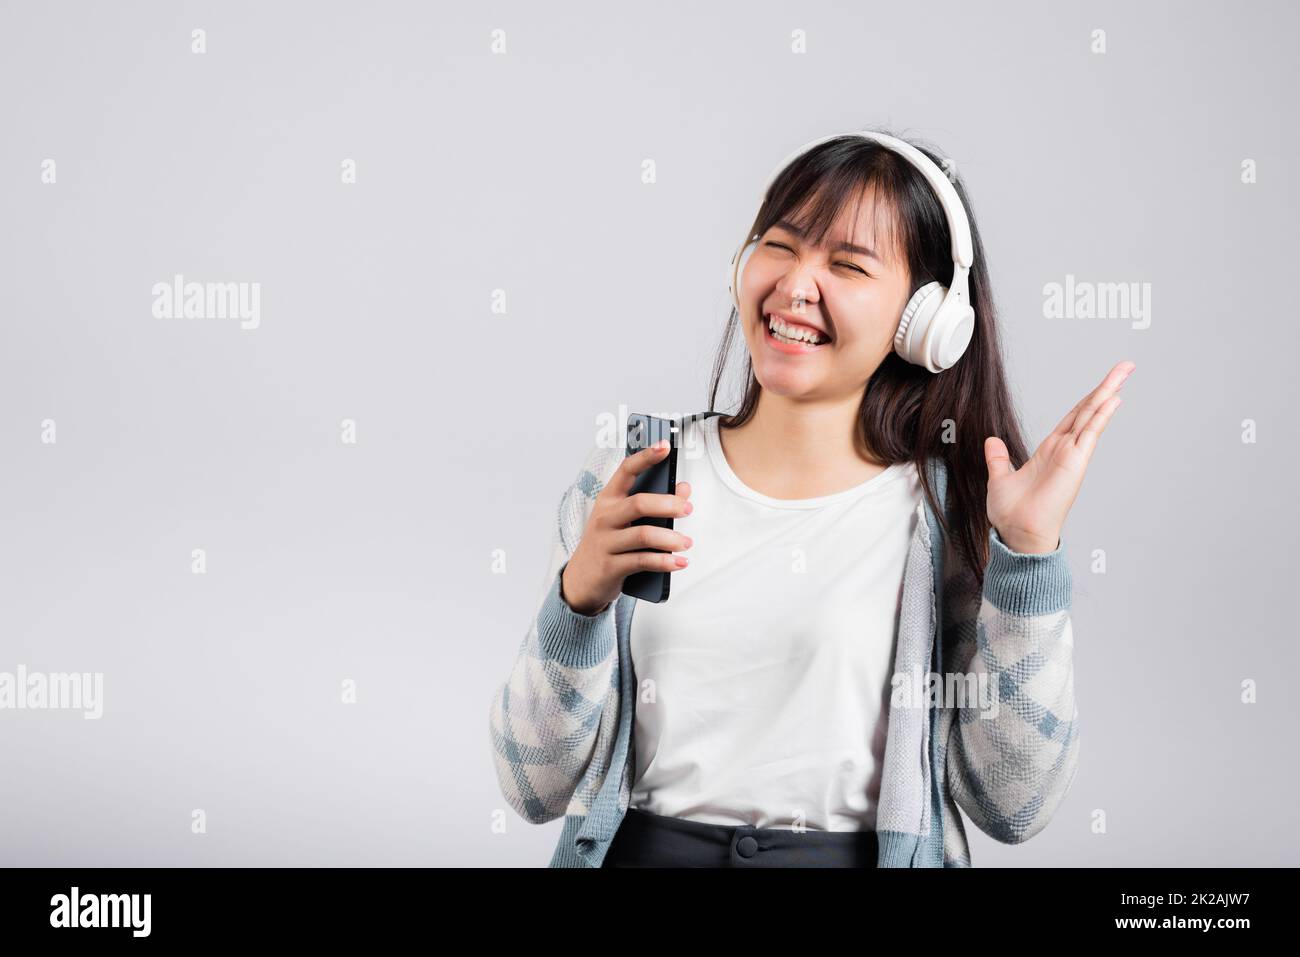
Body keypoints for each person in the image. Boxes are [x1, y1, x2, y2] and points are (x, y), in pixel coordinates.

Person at [488, 129, 1134, 867]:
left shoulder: (944, 513)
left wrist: (1027, 557)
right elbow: (530, 786)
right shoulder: (637, 474)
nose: (797, 285)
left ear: (927, 322)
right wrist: (579, 601)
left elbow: (1013, 805)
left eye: (848, 264)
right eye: (782, 245)